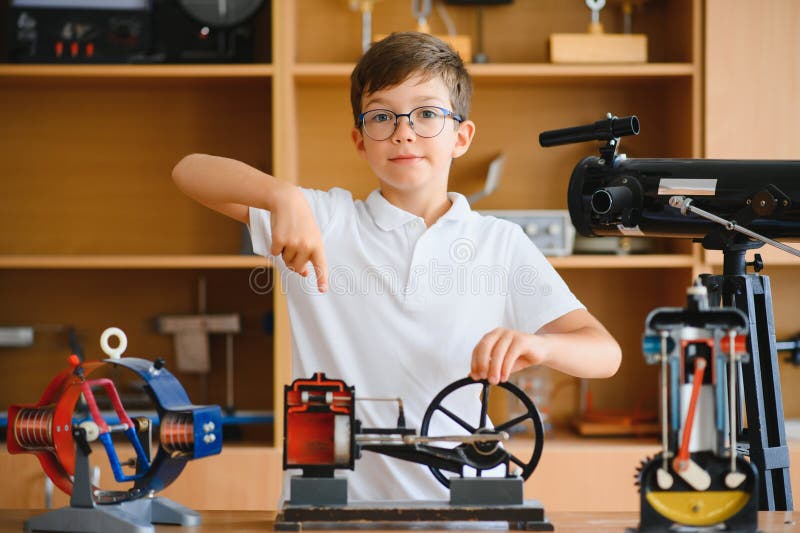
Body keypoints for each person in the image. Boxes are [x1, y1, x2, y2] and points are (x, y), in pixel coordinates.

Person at [172, 31, 621, 501]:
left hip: (466, 510)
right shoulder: (322, 219)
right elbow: (189, 170)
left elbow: (604, 353)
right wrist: (281, 195)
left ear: (461, 137)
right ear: (360, 140)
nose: (403, 131)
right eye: (382, 116)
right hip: (340, 511)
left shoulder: (500, 243)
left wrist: (539, 344)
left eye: (427, 113)